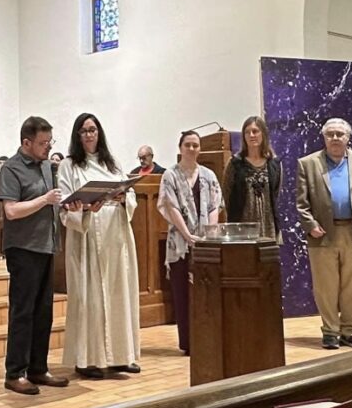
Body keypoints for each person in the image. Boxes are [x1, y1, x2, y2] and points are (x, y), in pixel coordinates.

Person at [60, 112, 142, 378]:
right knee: (90, 298)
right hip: (87, 234)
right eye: (84, 131)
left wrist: (122, 198)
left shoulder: (113, 162)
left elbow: (129, 196)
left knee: (119, 293)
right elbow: (64, 206)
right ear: (77, 135)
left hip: (115, 234)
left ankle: (121, 355)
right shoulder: (69, 165)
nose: (89, 134)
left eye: (93, 129)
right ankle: (89, 359)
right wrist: (83, 208)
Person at [0, 117, 71, 395]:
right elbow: (11, 211)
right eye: (42, 143)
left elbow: (54, 200)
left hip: (46, 246)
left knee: (44, 313)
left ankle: (38, 368)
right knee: (23, 312)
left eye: (50, 142)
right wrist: (45, 200)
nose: (47, 147)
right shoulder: (11, 169)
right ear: (26, 142)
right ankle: (15, 372)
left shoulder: (46, 166)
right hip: (23, 249)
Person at [296, 119, 352, 350]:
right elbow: (301, 203)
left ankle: (350, 330)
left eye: (339, 134)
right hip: (322, 234)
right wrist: (310, 224)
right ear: (323, 137)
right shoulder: (307, 164)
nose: (335, 138)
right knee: (325, 286)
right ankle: (330, 331)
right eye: (330, 134)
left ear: (348, 138)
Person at [158, 130, 225, 355]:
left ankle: (206, 337)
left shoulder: (208, 175)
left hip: (205, 242)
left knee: (205, 292)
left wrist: (209, 233)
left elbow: (215, 205)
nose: (192, 149)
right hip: (180, 241)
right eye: (188, 145)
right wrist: (187, 235)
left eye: (196, 145)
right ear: (180, 148)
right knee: (182, 292)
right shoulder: (170, 174)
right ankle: (187, 342)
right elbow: (170, 206)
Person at [225, 115, 283, 228]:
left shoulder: (274, 163)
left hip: (269, 227)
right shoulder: (235, 163)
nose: (251, 135)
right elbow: (226, 195)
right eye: (247, 132)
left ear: (263, 134)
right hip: (241, 228)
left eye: (255, 131)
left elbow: (275, 194)